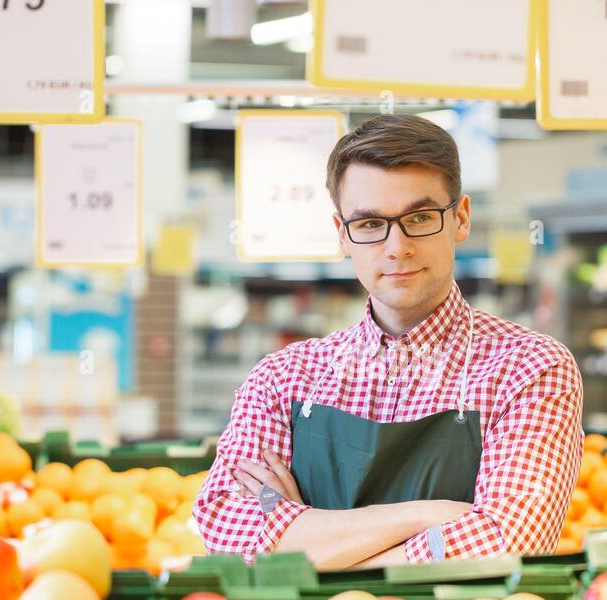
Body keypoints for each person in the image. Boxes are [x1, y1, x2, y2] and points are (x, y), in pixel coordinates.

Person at [194, 114, 583, 569]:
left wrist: (304, 536)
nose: (396, 246)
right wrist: (427, 516)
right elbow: (226, 535)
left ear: (460, 218)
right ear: (343, 234)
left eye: (419, 217)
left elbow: (508, 540)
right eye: (370, 224)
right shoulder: (281, 381)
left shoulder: (530, 370)